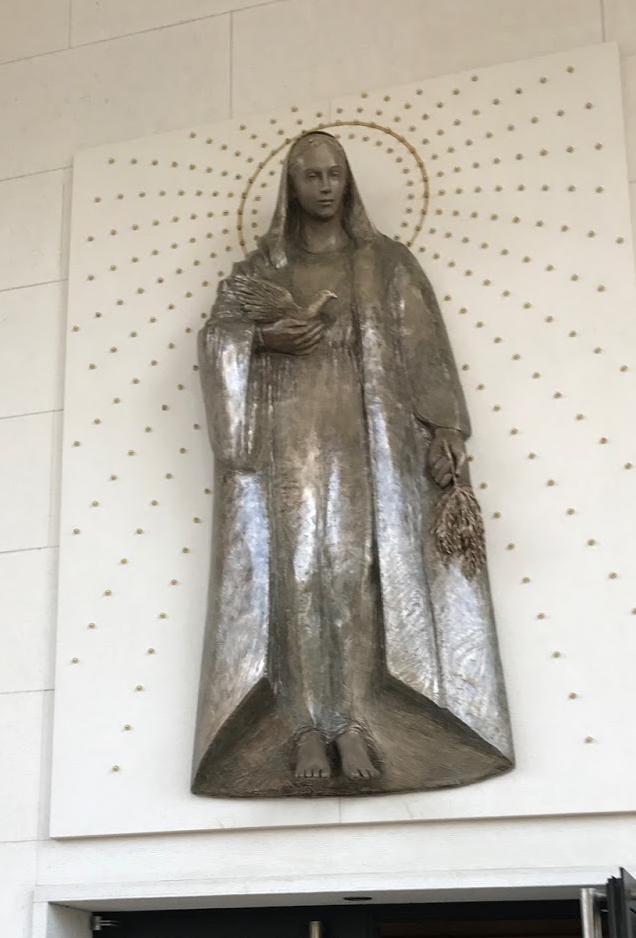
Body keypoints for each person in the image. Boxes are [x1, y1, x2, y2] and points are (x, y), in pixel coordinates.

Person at [192, 128, 512, 798]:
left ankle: (356, 722)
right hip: (287, 442)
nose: (325, 183)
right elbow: (218, 339)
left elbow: (423, 348)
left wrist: (445, 428)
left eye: (334, 171)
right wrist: (263, 339)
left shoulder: (385, 263)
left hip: (369, 443)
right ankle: (307, 724)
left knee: (353, 576)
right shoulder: (261, 274)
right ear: (291, 186)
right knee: (299, 576)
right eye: (310, 174)